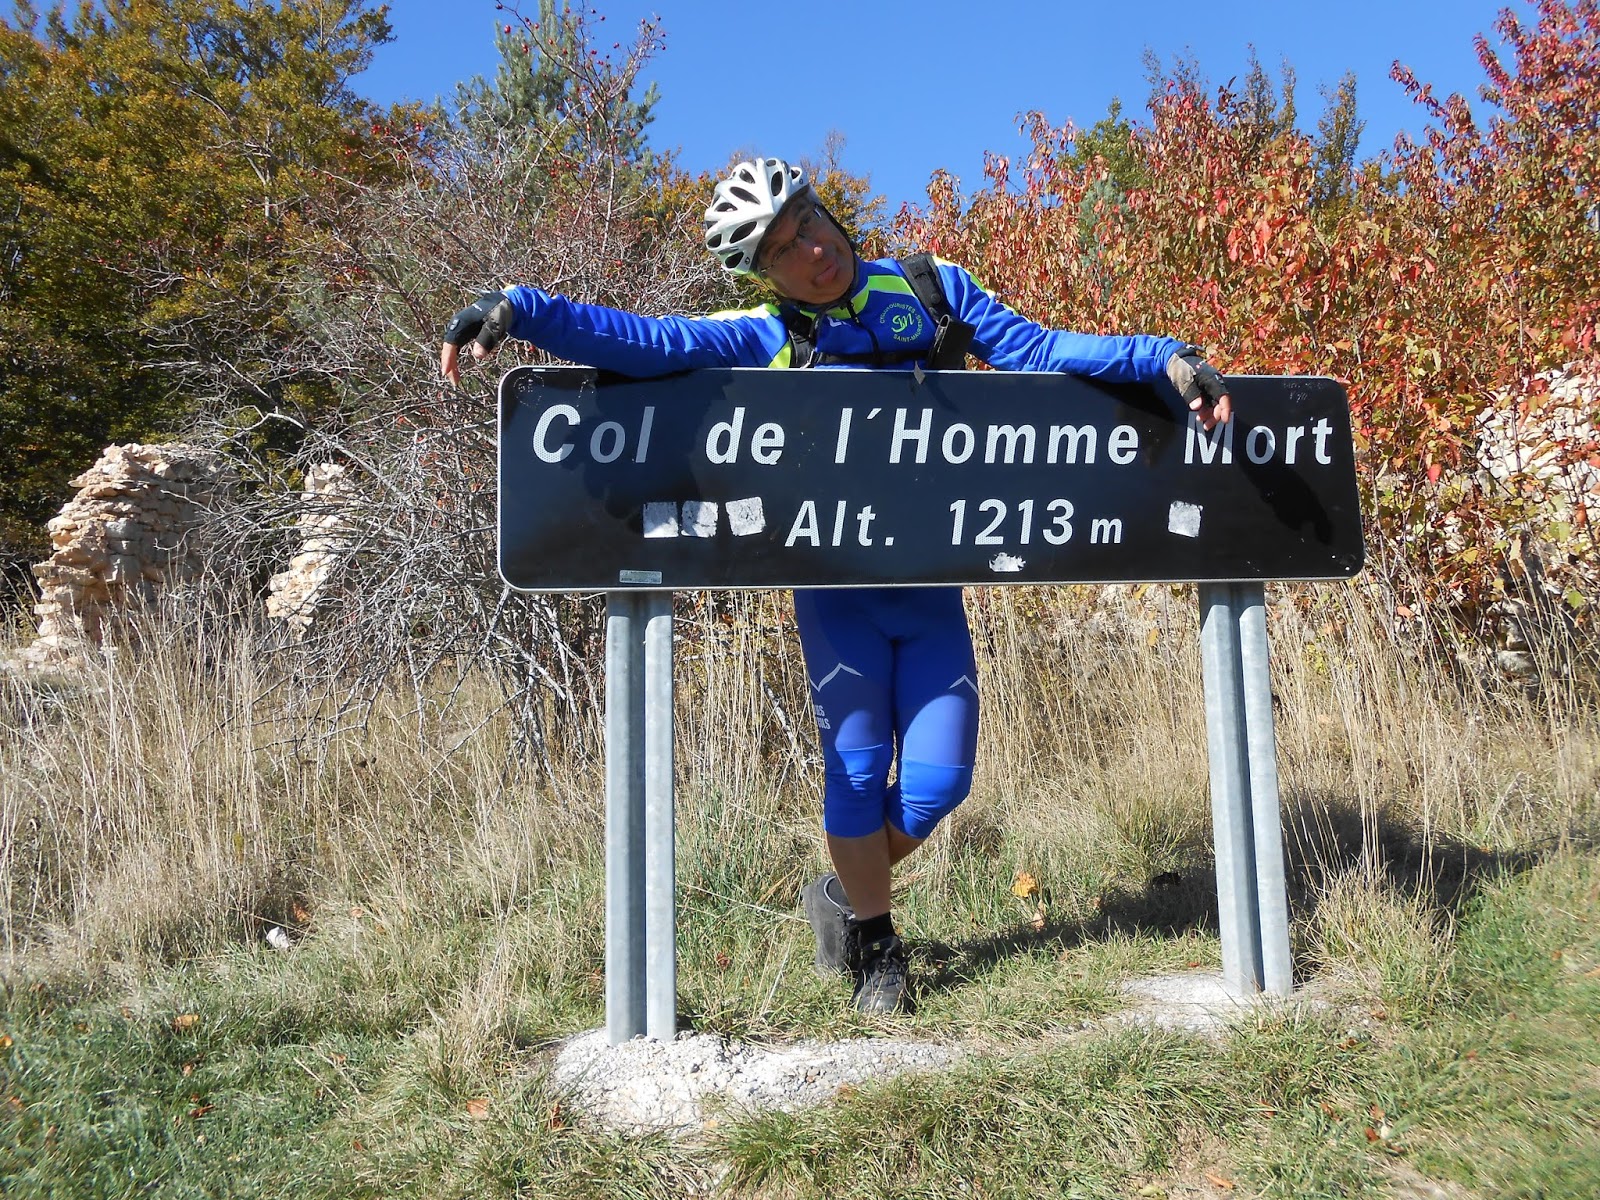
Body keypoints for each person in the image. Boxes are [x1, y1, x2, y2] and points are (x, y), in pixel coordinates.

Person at [441, 156, 1232, 1016]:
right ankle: (878, 946)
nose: (811, 251)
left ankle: (841, 892)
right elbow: (647, 340)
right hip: (834, 596)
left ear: (826, 209)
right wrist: (522, 310)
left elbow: (1043, 350)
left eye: (808, 222)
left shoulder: (933, 292)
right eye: (782, 250)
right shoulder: (769, 337)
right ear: (763, 273)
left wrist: (1165, 358)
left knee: (938, 787)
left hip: (932, 587)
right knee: (855, 775)